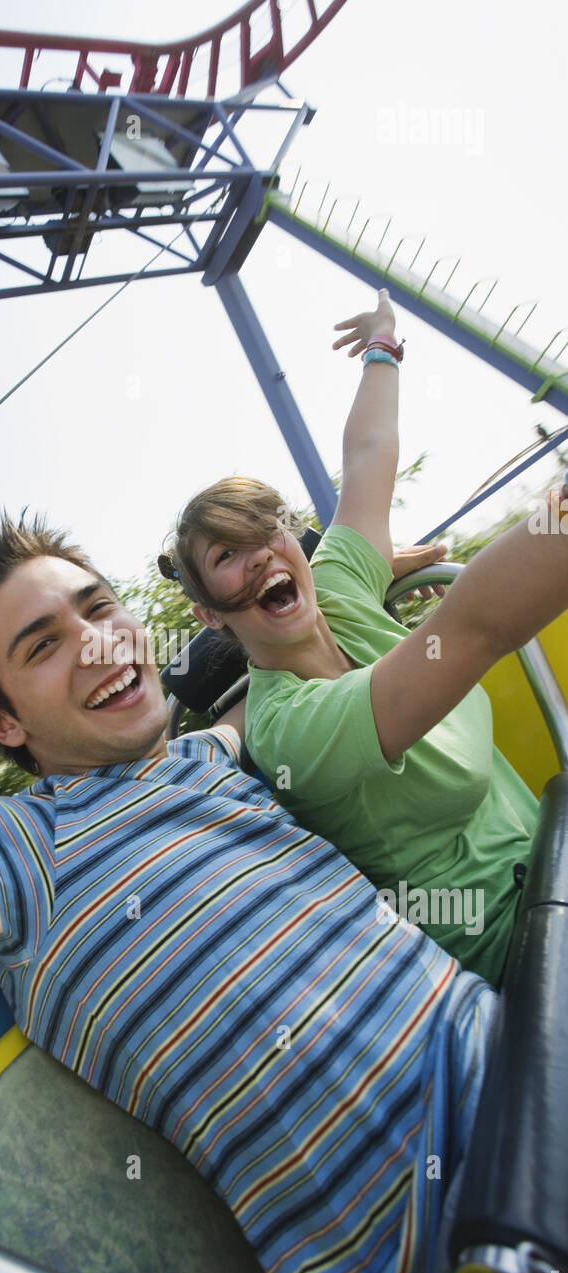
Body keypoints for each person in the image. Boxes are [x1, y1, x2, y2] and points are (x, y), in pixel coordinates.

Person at [0, 513, 496, 1273]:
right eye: (43, 644)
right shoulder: (21, 854)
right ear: (3, 722)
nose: (100, 641)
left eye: (100, 606)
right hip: (451, 1232)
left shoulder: (207, 759)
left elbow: (261, 677)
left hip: (514, 1041)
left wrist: (345, 578)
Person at [159, 290, 568, 990]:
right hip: (513, 944)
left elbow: (370, 455)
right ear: (210, 615)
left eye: (267, 531)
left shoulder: (337, 583)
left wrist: (384, 341)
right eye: (227, 557)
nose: (259, 555)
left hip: (550, 846)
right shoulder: (289, 729)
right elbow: (472, 630)